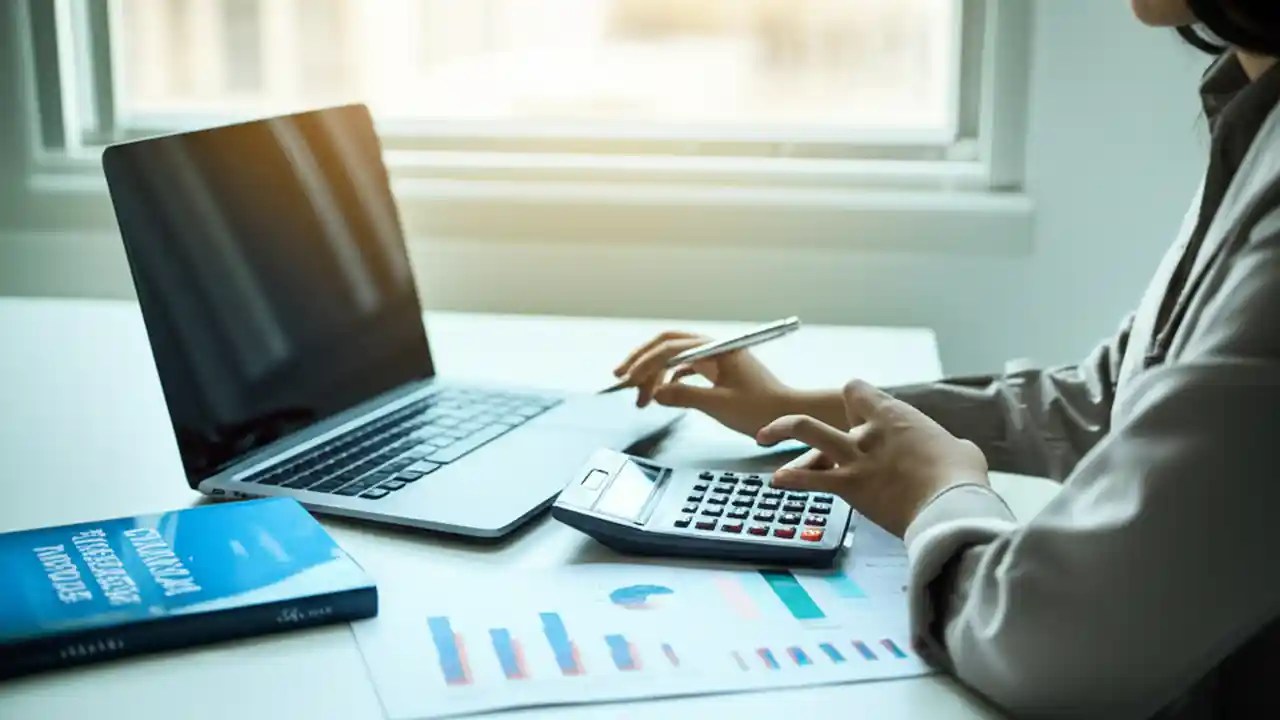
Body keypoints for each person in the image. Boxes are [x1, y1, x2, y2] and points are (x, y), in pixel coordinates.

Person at [612, 2, 1280, 717]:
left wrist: (940, 493)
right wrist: (796, 409)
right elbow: (1109, 400)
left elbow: (1053, 646)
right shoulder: (1254, 110)